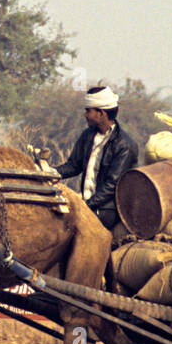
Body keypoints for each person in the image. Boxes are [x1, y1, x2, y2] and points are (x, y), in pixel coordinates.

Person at [55, 85, 137, 242]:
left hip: (106, 210)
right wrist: (48, 172)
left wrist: (85, 206)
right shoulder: (88, 135)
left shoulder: (124, 145)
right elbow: (74, 165)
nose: (85, 115)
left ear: (101, 114)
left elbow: (112, 186)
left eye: (88, 111)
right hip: (87, 205)